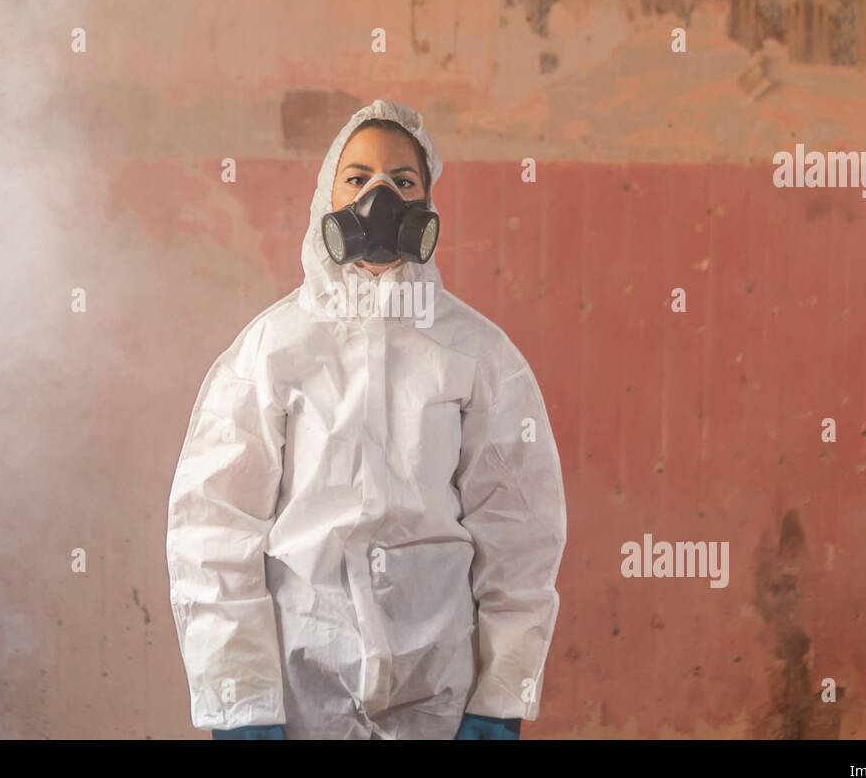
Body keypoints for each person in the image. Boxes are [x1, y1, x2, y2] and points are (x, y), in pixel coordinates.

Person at [166, 98, 567, 740]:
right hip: (304, 694)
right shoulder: (272, 350)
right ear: (328, 199)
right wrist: (241, 702)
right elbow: (214, 527)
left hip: (436, 689)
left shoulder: (478, 353)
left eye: (402, 182)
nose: (379, 197)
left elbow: (520, 533)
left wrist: (500, 696)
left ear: (427, 208)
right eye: (358, 179)